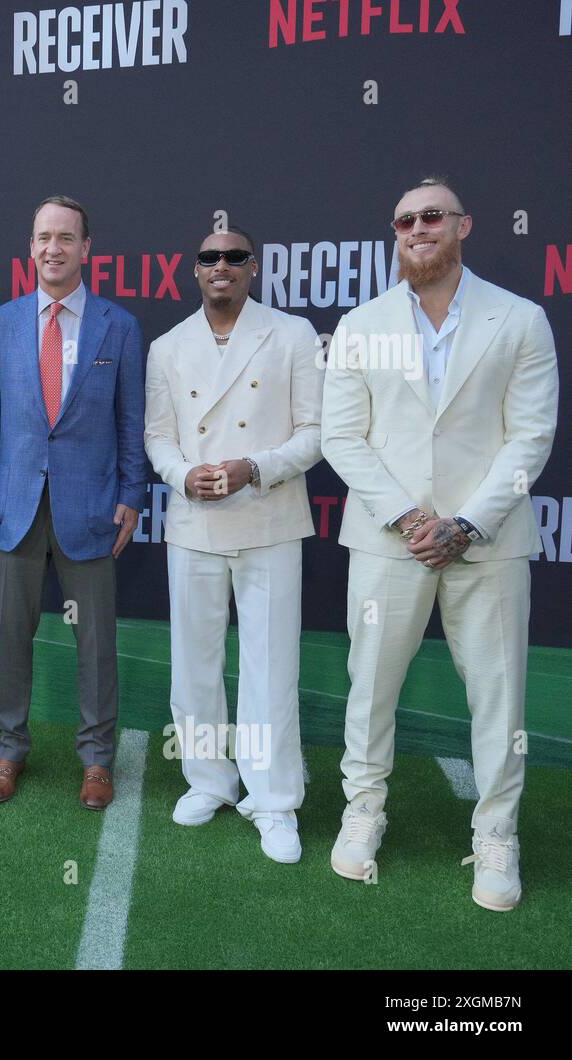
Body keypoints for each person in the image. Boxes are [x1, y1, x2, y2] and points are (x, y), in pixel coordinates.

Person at [322, 176, 558, 910]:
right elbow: (341, 436)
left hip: (486, 542)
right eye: (403, 220)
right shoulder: (360, 324)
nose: (416, 228)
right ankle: (362, 813)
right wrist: (409, 519)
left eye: (431, 217)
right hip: (390, 542)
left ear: (463, 226)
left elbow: (532, 436)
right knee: (370, 691)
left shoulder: (520, 320)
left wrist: (464, 523)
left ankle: (497, 835)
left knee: (499, 698)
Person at [144, 225, 322, 862]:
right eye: (209, 258)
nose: (221, 266)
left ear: (253, 267)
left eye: (234, 257)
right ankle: (208, 780)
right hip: (194, 522)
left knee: (271, 665)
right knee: (194, 663)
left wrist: (254, 466)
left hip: (269, 518)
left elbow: (315, 434)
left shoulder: (293, 334)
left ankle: (273, 799)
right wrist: (179, 474)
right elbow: (158, 437)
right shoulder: (167, 347)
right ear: (194, 270)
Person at [0, 195, 145, 810]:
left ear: (86, 248)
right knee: (10, 636)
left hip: (92, 506)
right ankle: (9, 748)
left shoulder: (117, 326)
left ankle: (98, 760)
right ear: (31, 246)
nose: (54, 248)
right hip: (16, 504)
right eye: (44, 236)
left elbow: (132, 422)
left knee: (95, 642)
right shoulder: (3, 321)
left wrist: (131, 495)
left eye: (66, 238)